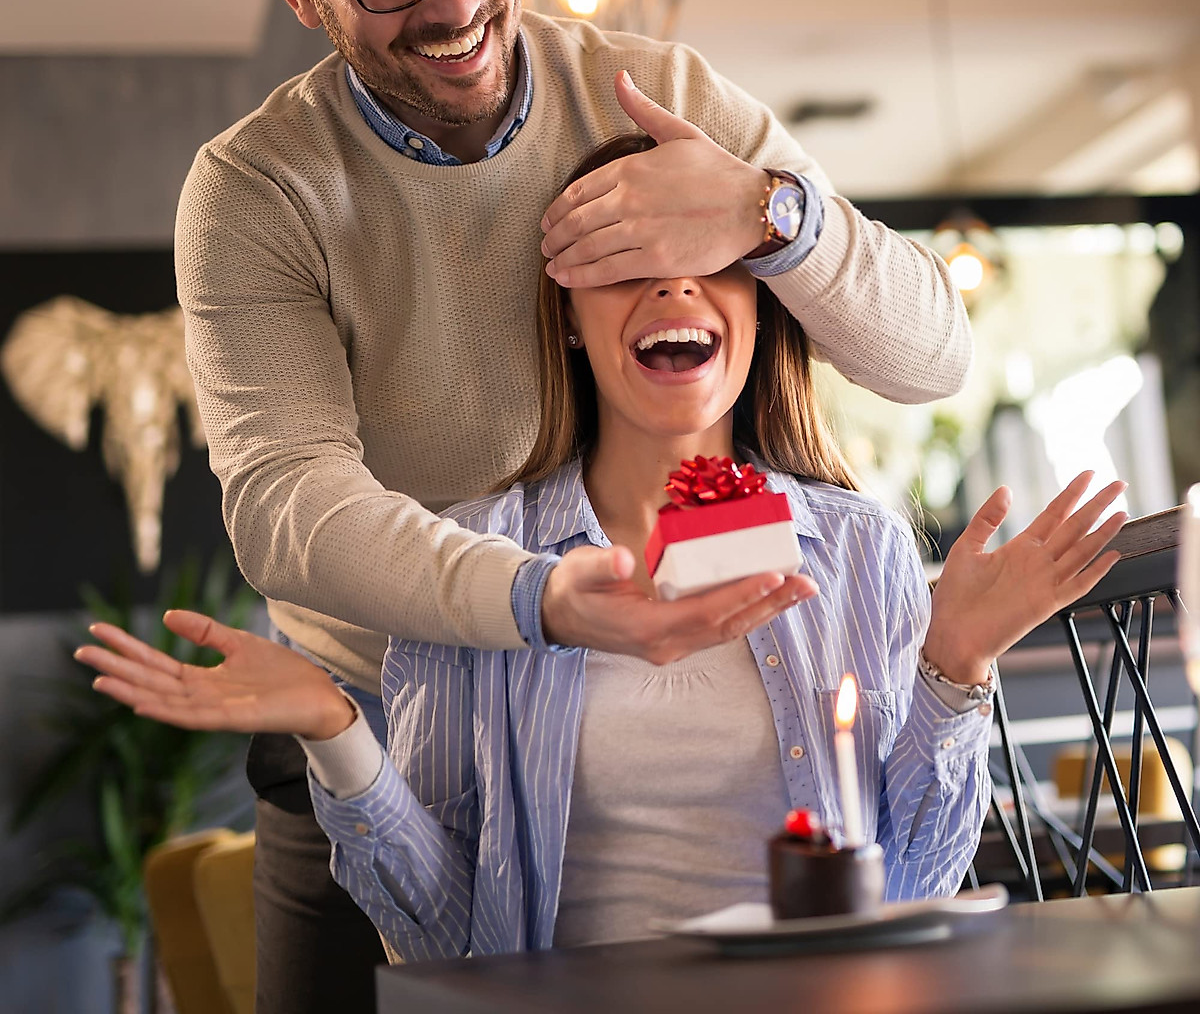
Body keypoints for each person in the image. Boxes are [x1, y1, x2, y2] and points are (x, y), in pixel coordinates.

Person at [180, 0, 974, 1005]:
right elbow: (288, 501)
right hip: (371, 737)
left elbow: (930, 355)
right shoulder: (257, 187)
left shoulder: (660, 95)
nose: (454, 3)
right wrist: (541, 598)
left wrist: (774, 213)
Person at [103, 134, 1123, 963]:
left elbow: (915, 888)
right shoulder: (472, 562)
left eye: (710, 265)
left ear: (758, 311)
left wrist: (957, 666)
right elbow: (449, 935)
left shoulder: (858, 553)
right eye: (628, 266)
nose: (675, 292)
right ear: (573, 322)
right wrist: (333, 726)